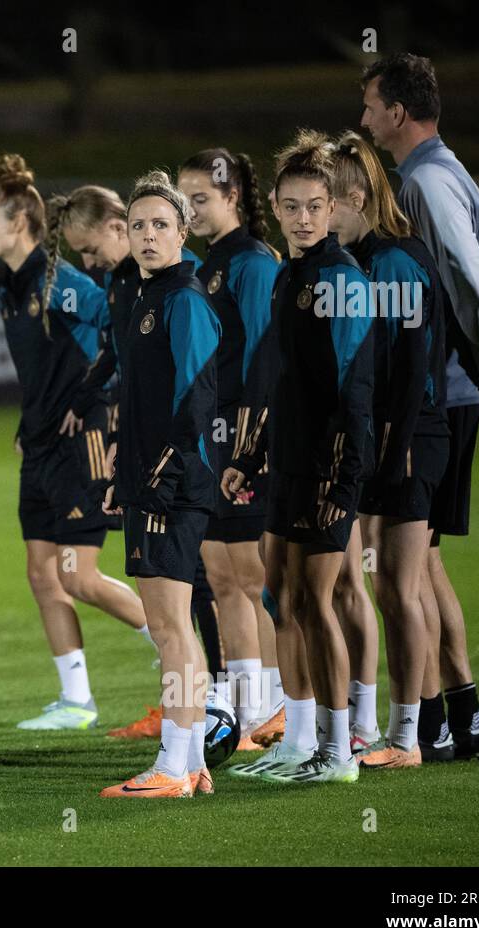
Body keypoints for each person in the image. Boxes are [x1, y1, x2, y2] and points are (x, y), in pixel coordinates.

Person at [361, 52, 479, 760]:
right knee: (423, 564)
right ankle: (464, 713)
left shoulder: (424, 182)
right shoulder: (439, 173)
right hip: (451, 391)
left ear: (396, 111)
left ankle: (425, 724)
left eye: (370, 105)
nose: (363, 118)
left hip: (439, 393)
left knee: (405, 567)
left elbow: (468, 284)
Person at [0, 156, 148, 731]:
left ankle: (174, 641)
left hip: (82, 443)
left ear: (18, 226)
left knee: (78, 575)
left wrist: (96, 405)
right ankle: (76, 700)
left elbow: (121, 330)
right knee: (41, 574)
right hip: (42, 444)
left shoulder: (62, 285)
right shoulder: (11, 287)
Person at [222, 131, 374, 785]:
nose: (305, 217)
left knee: (317, 601)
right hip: (285, 462)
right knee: (281, 596)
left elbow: (353, 392)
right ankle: (299, 740)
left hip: (324, 468)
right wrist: (252, 455)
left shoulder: (341, 280)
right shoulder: (291, 277)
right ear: (278, 209)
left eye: (316, 205)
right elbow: (283, 379)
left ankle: (339, 752)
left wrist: (343, 479)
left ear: (334, 208)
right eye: (293, 206)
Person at [329, 129, 449, 769]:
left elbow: (411, 366)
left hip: (411, 435)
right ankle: (420, 731)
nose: (319, 217)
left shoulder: (396, 262)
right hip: (386, 439)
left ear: (355, 196)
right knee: (392, 589)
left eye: (328, 202)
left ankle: (409, 740)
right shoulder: (366, 263)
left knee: (401, 589)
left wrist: (398, 447)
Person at [100, 170, 220, 797]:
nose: (147, 236)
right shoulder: (147, 297)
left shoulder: (185, 300)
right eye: (137, 225)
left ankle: (173, 765)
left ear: (183, 233)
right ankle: (191, 760)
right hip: (153, 481)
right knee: (178, 624)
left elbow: (198, 399)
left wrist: (161, 475)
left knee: (171, 625)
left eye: (160, 226)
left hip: (174, 486)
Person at [177, 149, 284, 742]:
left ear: (233, 197)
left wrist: (253, 439)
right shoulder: (209, 261)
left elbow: (264, 359)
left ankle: (278, 704)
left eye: (200, 198)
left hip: (244, 435)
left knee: (251, 576)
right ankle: (247, 716)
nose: (190, 209)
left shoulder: (252, 263)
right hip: (214, 435)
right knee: (219, 577)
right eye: (183, 197)